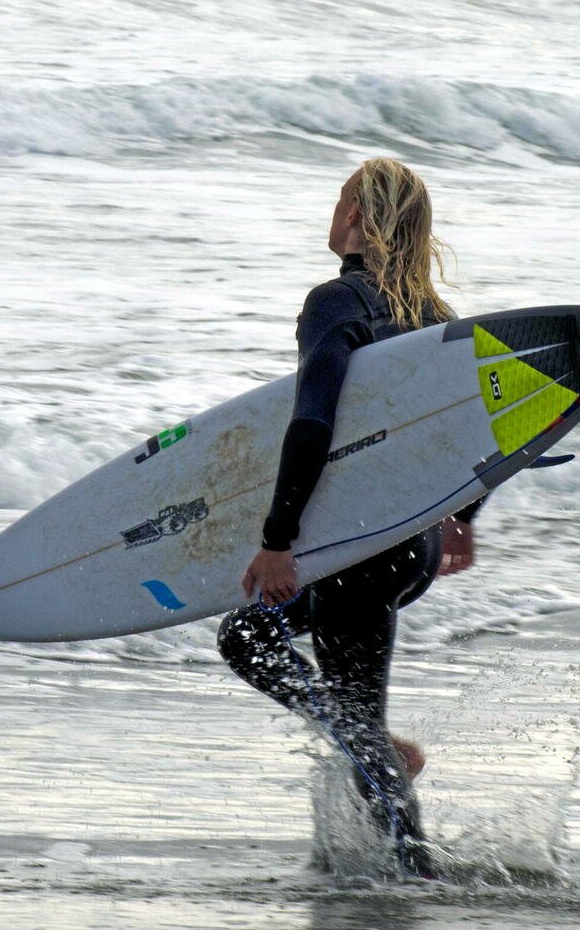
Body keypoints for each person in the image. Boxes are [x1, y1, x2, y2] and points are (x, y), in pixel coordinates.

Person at [217, 158, 486, 878]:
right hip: (410, 543)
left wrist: (277, 543)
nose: (331, 214)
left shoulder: (336, 302)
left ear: (358, 220)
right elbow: (476, 432)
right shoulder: (437, 316)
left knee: (249, 638)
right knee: (336, 701)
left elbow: (312, 422)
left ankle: (412, 867)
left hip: (358, 548)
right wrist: (461, 518)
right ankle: (394, 848)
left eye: (339, 201)